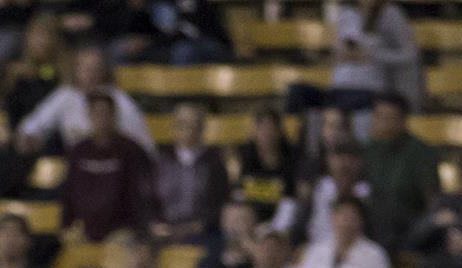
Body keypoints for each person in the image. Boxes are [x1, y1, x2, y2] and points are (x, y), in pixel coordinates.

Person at [16, 48, 152, 155]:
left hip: (113, 165)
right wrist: (30, 138)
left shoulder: (118, 100)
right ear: (76, 70)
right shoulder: (66, 95)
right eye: (85, 68)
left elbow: (144, 145)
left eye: (94, 69)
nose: (90, 74)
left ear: (103, 71)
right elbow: (33, 125)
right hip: (75, 163)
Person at [60, 92, 157, 243]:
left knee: (122, 247)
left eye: (105, 112)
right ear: (89, 116)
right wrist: (66, 224)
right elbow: (69, 190)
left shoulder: (130, 150)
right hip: (84, 227)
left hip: (121, 228)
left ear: (114, 115)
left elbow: (140, 194)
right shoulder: (78, 151)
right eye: (96, 113)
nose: (101, 118)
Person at [361, 92, 439, 255]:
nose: (382, 123)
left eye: (389, 118)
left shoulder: (420, 151)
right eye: (378, 116)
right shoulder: (368, 149)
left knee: (387, 209)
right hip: (374, 222)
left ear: (403, 121)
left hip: (409, 223)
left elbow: (432, 201)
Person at [155, 102, 230, 244]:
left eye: (193, 125)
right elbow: (148, 198)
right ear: (174, 127)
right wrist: (156, 224)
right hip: (164, 229)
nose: (188, 130)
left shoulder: (214, 163)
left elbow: (222, 202)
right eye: (182, 124)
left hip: (202, 231)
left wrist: (200, 225)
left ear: (201, 129)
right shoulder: (161, 161)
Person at [233, 107, 298, 227]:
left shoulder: (292, 158)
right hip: (251, 220)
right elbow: (240, 193)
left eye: (270, 128)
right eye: (262, 128)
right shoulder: (245, 156)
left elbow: (290, 201)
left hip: (280, 221)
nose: (266, 134)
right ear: (254, 132)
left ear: (279, 131)